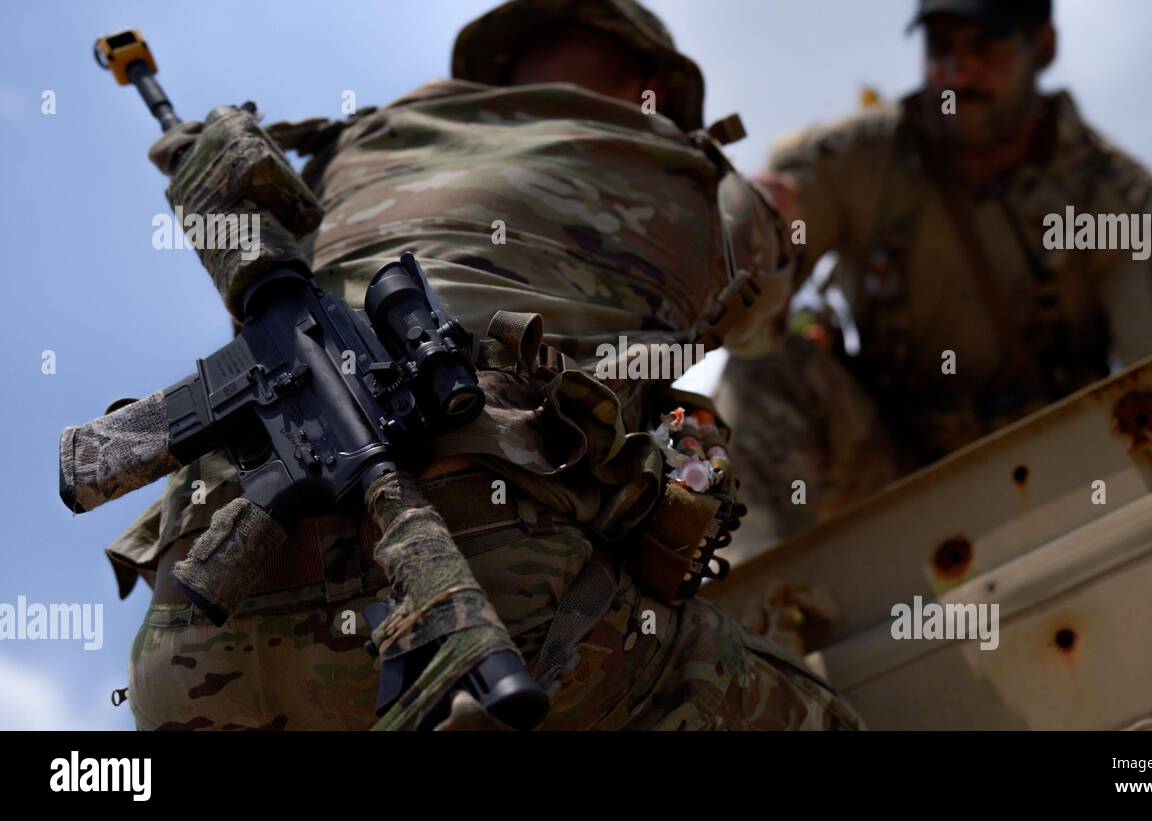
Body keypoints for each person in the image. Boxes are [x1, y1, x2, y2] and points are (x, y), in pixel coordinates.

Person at [108, 0, 861, 731]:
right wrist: (767, 211)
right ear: (652, 90)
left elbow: (268, 298)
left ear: (493, 75)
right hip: (503, 611)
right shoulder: (695, 179)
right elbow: (763, 328)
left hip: (188, 643)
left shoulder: (350, 154)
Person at [716, 0, 1152, 554]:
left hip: (1066, 480)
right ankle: (753, 615)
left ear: (1043, 46)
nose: (957, 71)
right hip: (891, 473)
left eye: (985, 45)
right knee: (769, 365)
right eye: (942, 47)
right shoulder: (857, 159)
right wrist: (756, 233)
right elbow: (749, 286)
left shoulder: (1117, 204)